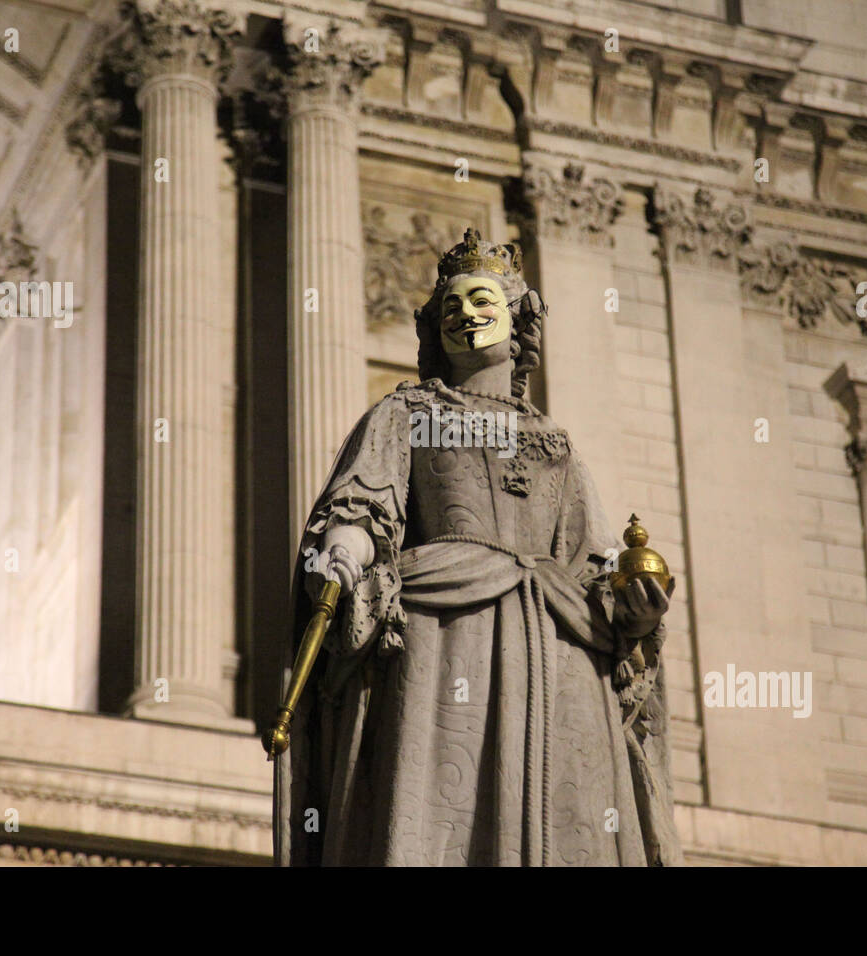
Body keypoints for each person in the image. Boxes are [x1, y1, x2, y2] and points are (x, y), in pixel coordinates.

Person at [275, 229, 682, 866]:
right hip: (445, 629)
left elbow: (593, 563)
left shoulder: (556, 442)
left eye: (481, 301)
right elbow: (364, 505)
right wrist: (345, 551)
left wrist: (634, 606)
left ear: (517, 319)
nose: (464, 314)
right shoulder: (406, 412)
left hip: (557, 645)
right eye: (451, 308)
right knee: (442, 809)